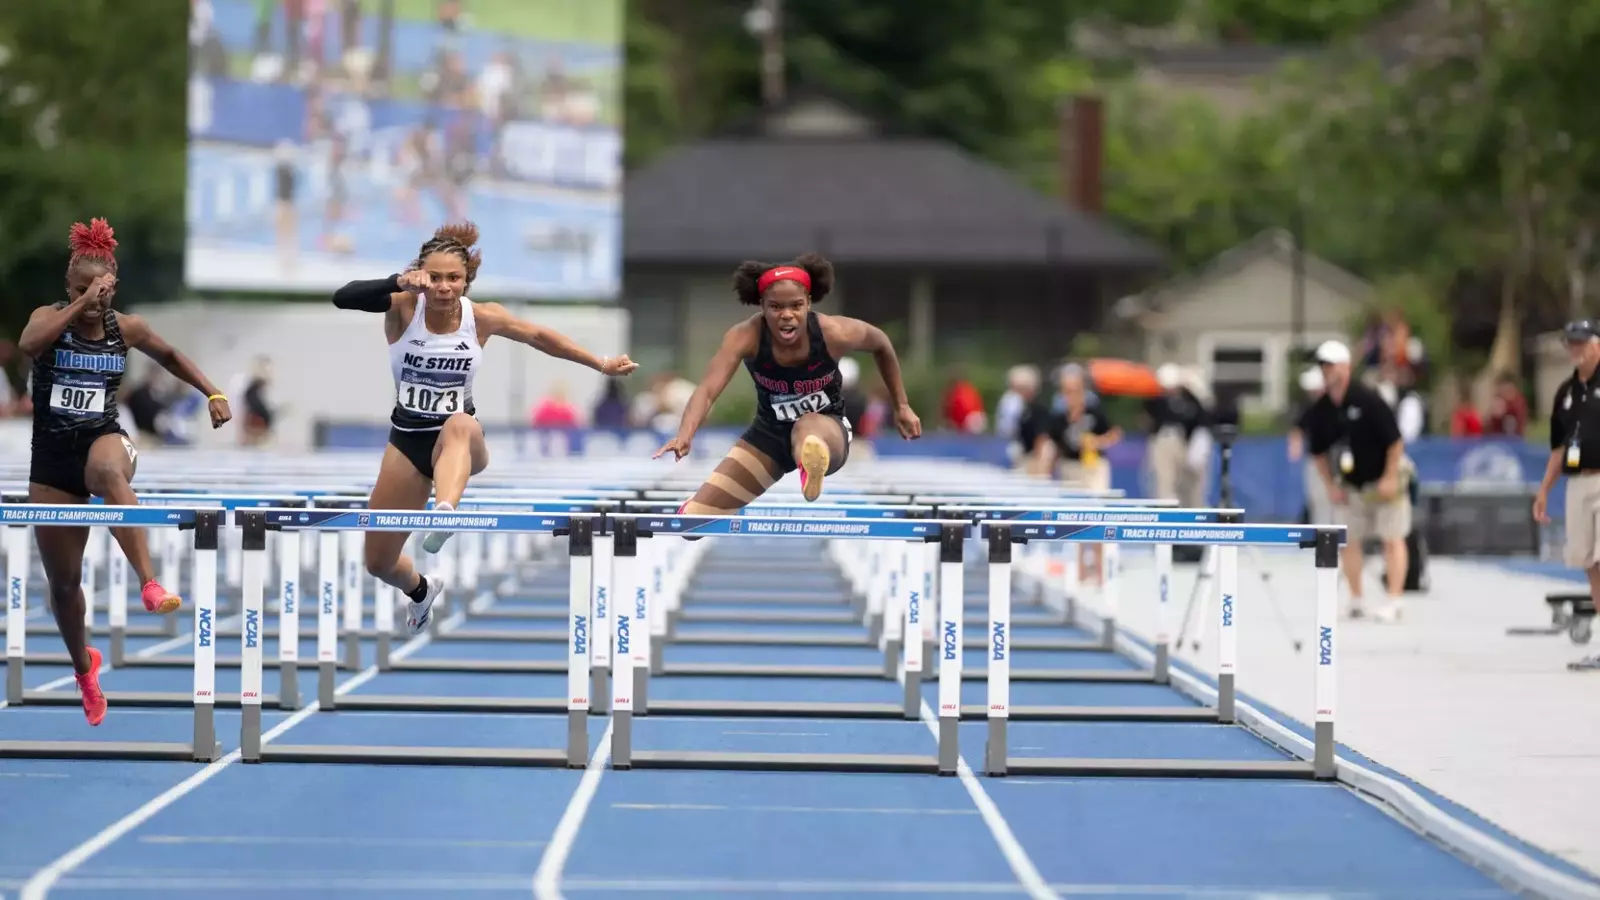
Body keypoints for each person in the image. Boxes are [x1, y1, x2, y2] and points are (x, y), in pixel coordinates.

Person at [331, 222, 637, 634]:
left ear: (466, 281)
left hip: (463, 441)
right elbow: (343, 297)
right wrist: (397, 281)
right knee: (379, 563)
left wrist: (600, 363)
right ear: (421, 276)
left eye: (453, 279)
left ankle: (445, 512)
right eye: (435, 278)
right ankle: (421, 589)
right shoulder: (404, 306)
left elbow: (539, 336)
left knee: (458, 423)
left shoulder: (481, 318)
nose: (444, 288)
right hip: (407, 440)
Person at [18, 218, 233, 726]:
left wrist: (213, 392)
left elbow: (171, 355)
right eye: (81, 291)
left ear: (113, 289)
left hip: (107, 440)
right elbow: (29, 344)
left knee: (108, 468)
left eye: (100, 293)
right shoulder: (48, 318)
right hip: (52, 461)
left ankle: (149, 582)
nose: (92, 301)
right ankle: (84, 669)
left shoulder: (125, 328)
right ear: (68, 288)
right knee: (64, 585)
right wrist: (79, 305)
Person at [654, 253, 920, 509]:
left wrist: (902, 406)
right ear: (762, 306)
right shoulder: (745, 336)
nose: (787, 314)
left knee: (807, 426)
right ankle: (801, 460)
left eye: (796, 305)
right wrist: (685, 434)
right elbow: (707, 390)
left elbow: (881, 343)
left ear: (808, 303)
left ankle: (810, 464)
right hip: (769, 436)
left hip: (826, 429)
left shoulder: (833, 332)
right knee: (693, 517)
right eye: (776, 307)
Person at [1302, 340, 1412, 623]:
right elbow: (1317, 453)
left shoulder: (1368, 399)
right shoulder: (1322, 409)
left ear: (1346, 367)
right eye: (1323, 365)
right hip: (1352, 483)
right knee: (1348, 540)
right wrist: (1331, 486)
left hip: (1383, 478)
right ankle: (1356, 599)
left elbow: (1395, 442)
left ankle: (1395, 600)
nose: (1326, 370)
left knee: (1392, 538)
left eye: (1331, 365)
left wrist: (1390, 477)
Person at [1533, 320, 1600, 670]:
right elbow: (1559, 448)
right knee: (1589, 562)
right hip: (1578, 482)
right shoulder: (1566, 392)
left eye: (1582, 342)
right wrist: (1544, 490)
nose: (1576, 349)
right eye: (1571, 343)